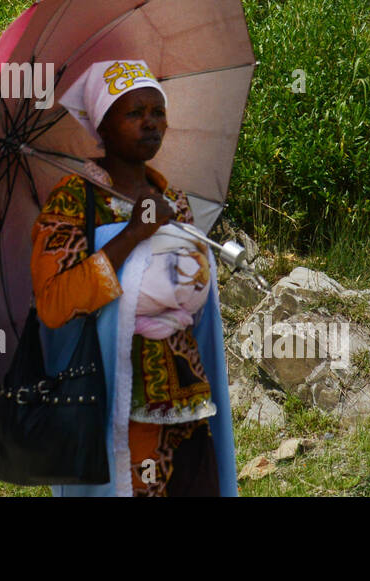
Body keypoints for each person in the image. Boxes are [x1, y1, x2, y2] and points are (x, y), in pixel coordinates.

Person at [30, 59, 238, 497]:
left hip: (188, 405)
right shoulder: (73, 203)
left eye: (157, 112)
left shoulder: (174, 201)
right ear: (102, 127)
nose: (151, 123)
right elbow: (54, 303)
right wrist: (133, 234)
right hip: (115, 412)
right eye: (134, 113)